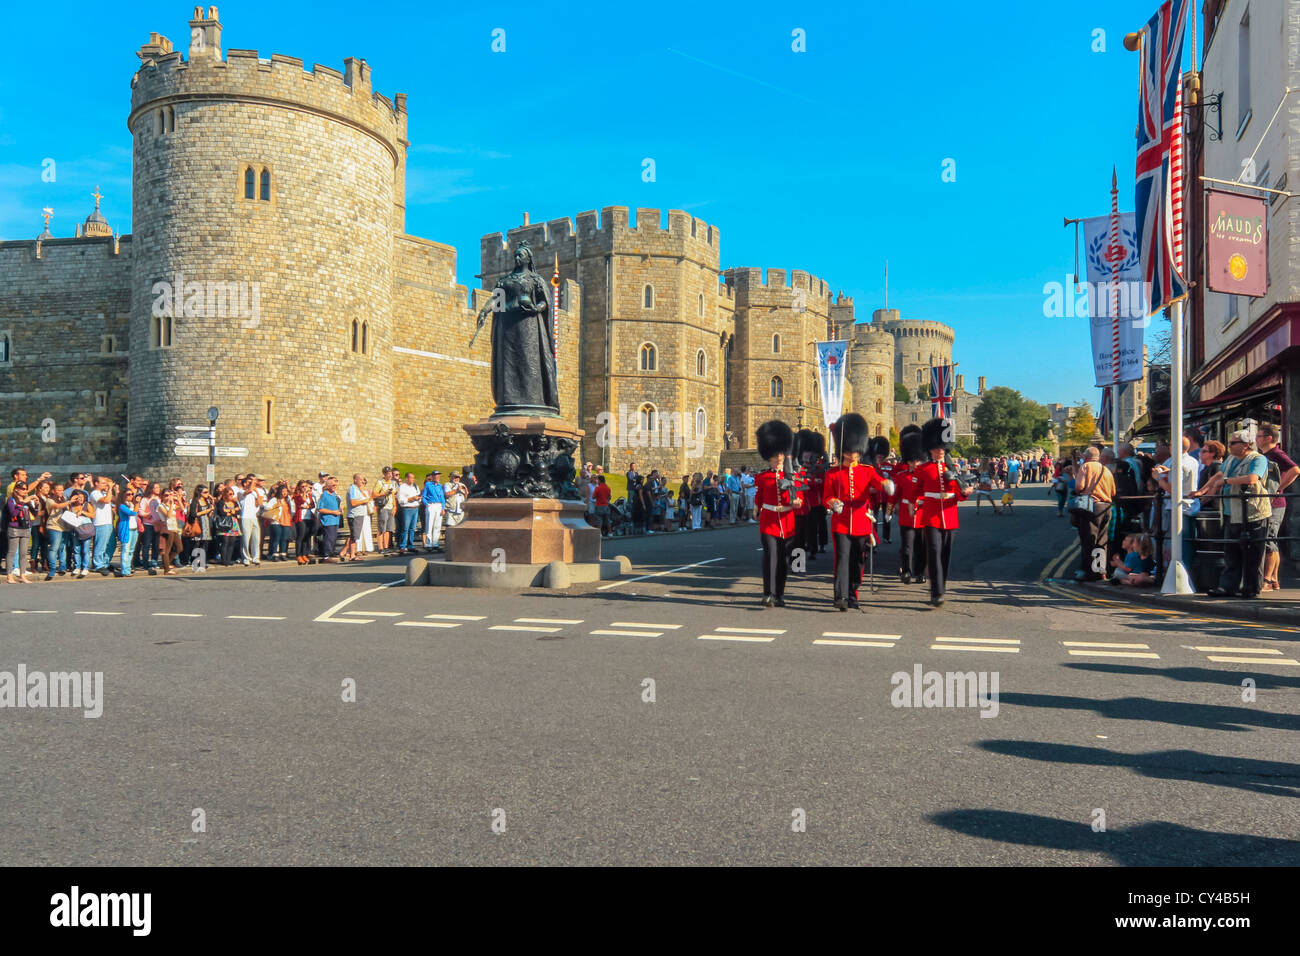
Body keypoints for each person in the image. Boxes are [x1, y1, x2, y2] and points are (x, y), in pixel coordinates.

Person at [823, 413, 892, 610]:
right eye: (849, 450)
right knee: (842, 559)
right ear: (843, 450)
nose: (852, 454)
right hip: (841, 522)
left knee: (857, 561)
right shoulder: (832, 473)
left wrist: (887, 485)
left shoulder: (866, 470)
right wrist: (833, 503)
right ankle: (840, 597)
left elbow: (879, 482)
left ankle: (853, 592)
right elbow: (825, 497)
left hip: (861, 521)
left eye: (855, 451)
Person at [1201, 431, 1270, 598]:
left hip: (1253, 513)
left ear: (1246, 445)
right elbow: (1219, 474)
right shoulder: (1231, 459)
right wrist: (1202, 491)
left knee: (1253, 552)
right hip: (1231, 511)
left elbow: (1253, 478)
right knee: (1231, 551)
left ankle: (1251, 588)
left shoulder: (1257, 459)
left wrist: (1226, 481)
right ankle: (1227, 587)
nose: (1229, 446)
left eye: (1233, 443)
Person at [915, 418, 971, 606]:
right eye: (937, 447)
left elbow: (959, 493)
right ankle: (936, 591)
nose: (940, 450)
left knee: (945, 553)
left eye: (942, 447)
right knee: (934, 551)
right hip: (930, 516)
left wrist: (964, 493)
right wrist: (914, 504)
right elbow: (915, 493)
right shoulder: (922, 469)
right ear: (930, 448)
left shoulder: (952, 469)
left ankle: (941, 585)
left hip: (950, 515)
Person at [754, 420, 801, 608]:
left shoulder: (792, 476)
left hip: (787, 521)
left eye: (781, 453)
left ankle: (779, 593)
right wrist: (756, 508)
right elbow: (760, 496)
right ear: (769, 456)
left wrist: (798, 502)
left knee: (783, 560)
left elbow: (800, 495)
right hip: (769, 521)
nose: (779, 457)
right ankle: (768, 593)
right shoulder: (763, 477)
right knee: (770, 556)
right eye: (775, 455)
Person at [1255, 423, 1299, 592]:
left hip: (1275, 502)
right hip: (1270, 502)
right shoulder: (1265, 454)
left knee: (1269, 539)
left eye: (1259, 436)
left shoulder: (1276, 453)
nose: (1256, 439)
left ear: (1269, 438)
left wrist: (1279, 487)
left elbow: (1295, 469)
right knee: (1270, 540)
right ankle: (1273, 580)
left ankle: (1267, 579)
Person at [892, 425, 925, 584]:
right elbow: (895, 494)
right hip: (906, 515)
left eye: (917, 460)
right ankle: (906, 571)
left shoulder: (926, 476)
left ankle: (919, 572)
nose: (915, 464)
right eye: (912, 461)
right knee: (907, 546)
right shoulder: (901, 476)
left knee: (920, 547)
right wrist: (891, 508)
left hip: (922, 515)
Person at [4, 481, 37, 583]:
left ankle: (22, 575)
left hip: (26, 527)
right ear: (16, 490)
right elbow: (13, 513)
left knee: (23, 554)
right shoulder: (11, 500)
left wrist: (36, 504)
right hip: (14, 528)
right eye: (22, 489)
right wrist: (22, 502)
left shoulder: (26, 500)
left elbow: (34, 514)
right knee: (12, 552)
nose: (25, 491)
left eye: (26, 489)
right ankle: (9, 575)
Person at [316, 476, 342, 561]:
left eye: (335, 485)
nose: (335, 486)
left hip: (335, 520)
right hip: (328, 520)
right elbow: (320, 509)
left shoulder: (334, 495)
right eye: (333, 485)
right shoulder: (324, 495)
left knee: (333, 538)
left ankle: (330, 553)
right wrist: (333, 512)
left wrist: (339, 510)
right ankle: (326, 555)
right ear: (327, 486)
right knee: (329, 538)